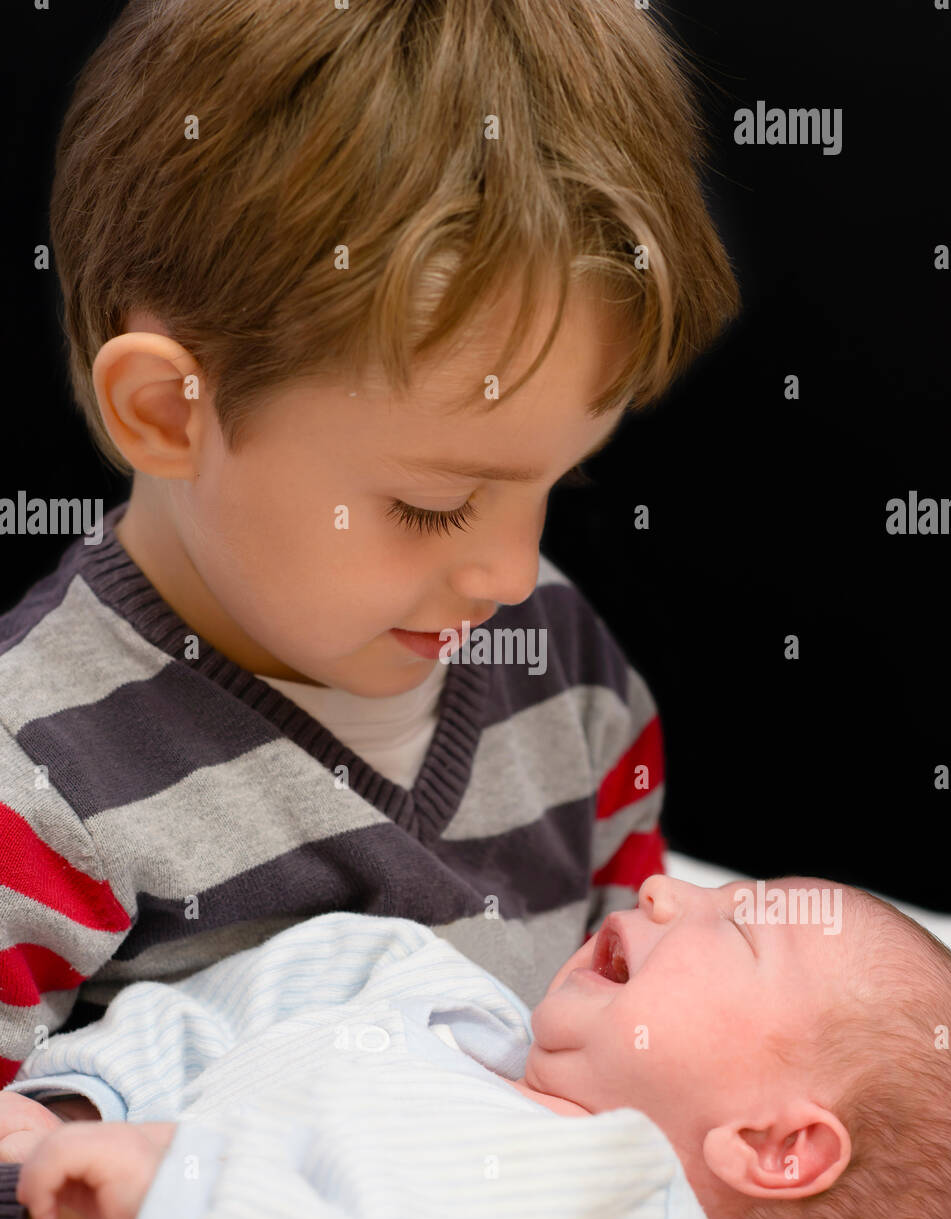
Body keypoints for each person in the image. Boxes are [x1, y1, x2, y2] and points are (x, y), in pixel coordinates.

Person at [0, 0, 740, 1090]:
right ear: (167, 411)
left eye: (556, 480)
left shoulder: (562, 675)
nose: (504, 575)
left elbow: (642, 1050)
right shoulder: (45, 789)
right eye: (434, 504)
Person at [3, 873, 951, 1219]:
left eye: (733, 927)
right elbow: (212, 1012)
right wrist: (85, 1104)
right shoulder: (411, 977)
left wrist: (179, 1206)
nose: (661, 891)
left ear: (775, 1145)